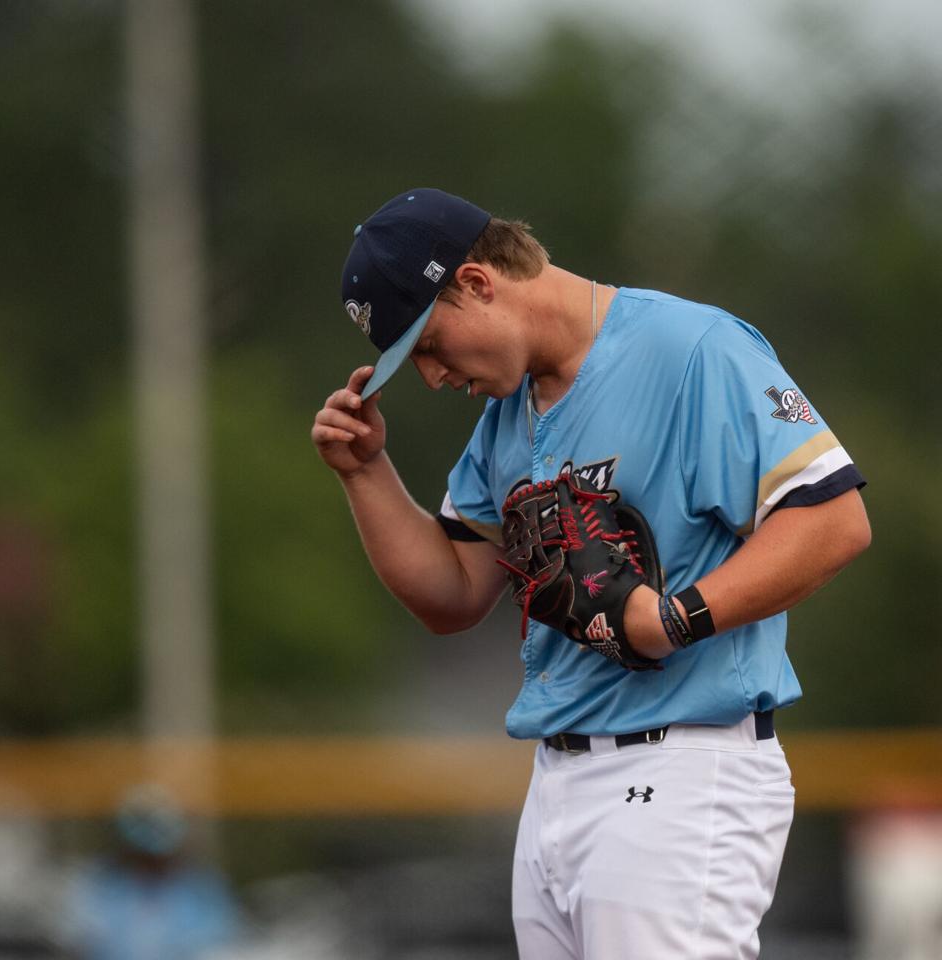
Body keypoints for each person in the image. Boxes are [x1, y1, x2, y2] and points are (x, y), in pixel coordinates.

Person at [311, 188, 871, 959]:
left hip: (680, 769)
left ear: (476, 283)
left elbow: (833, 520)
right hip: (556, 786)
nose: (433, 377)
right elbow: (453, 594)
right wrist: (365, 473)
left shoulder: (692, 349)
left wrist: (672, 619)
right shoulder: (508, 415)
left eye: (430, 345)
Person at [64, 784, 241, 960]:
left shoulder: (202, 892)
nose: (153, 864)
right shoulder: (97, 887)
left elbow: (220, 943)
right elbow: (80, 943)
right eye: (144, 858)